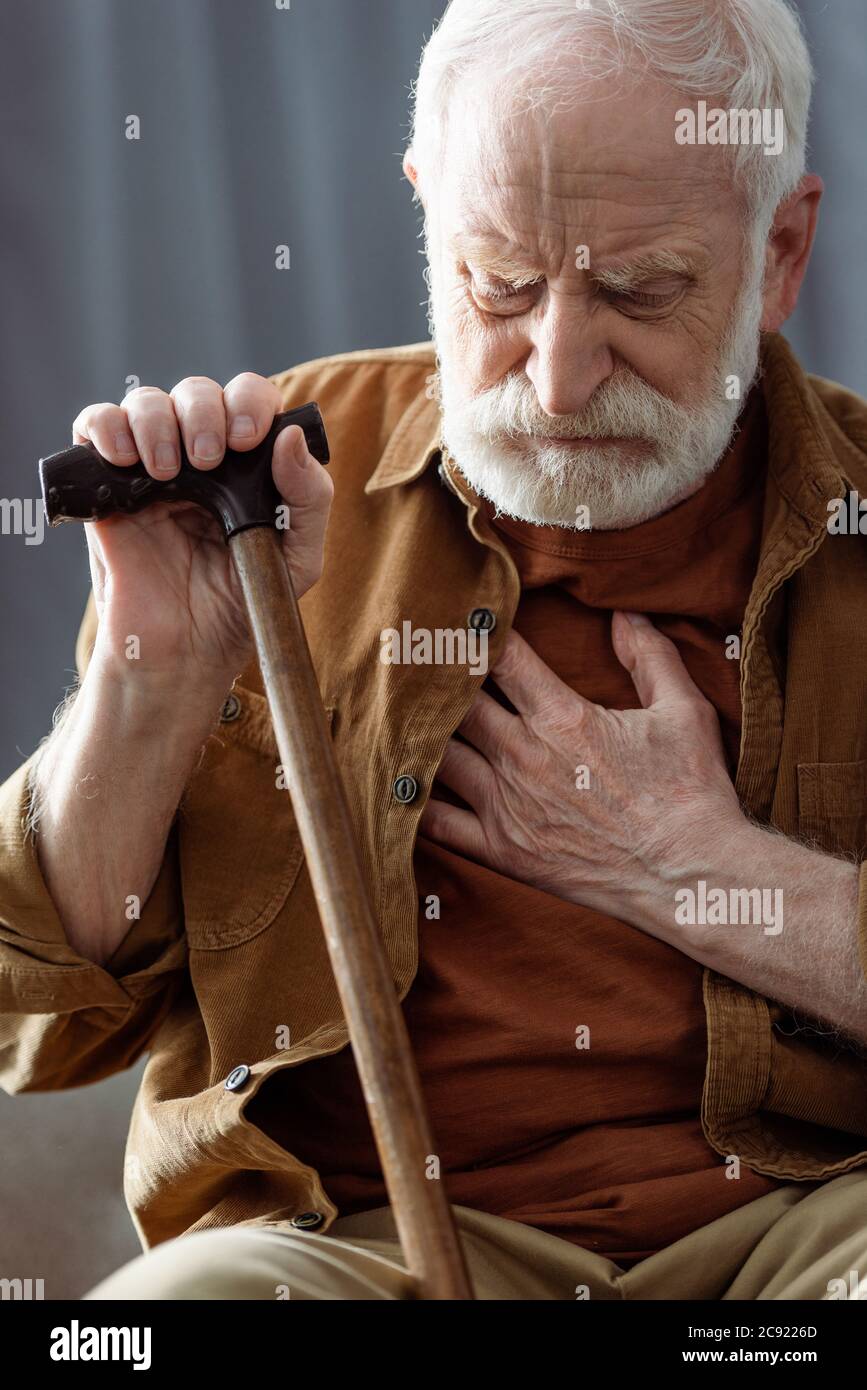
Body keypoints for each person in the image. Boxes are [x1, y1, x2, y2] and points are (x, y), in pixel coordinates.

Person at [2, 0, 866, 1301]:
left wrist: (699, 868)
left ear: (782, 249)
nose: (560, 374)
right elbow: (37, 1025)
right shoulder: (250, 500)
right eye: (501, 284)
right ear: (428, 209)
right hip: (365, 1253)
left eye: (641, 291)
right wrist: (150, 674)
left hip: (805, 1246)